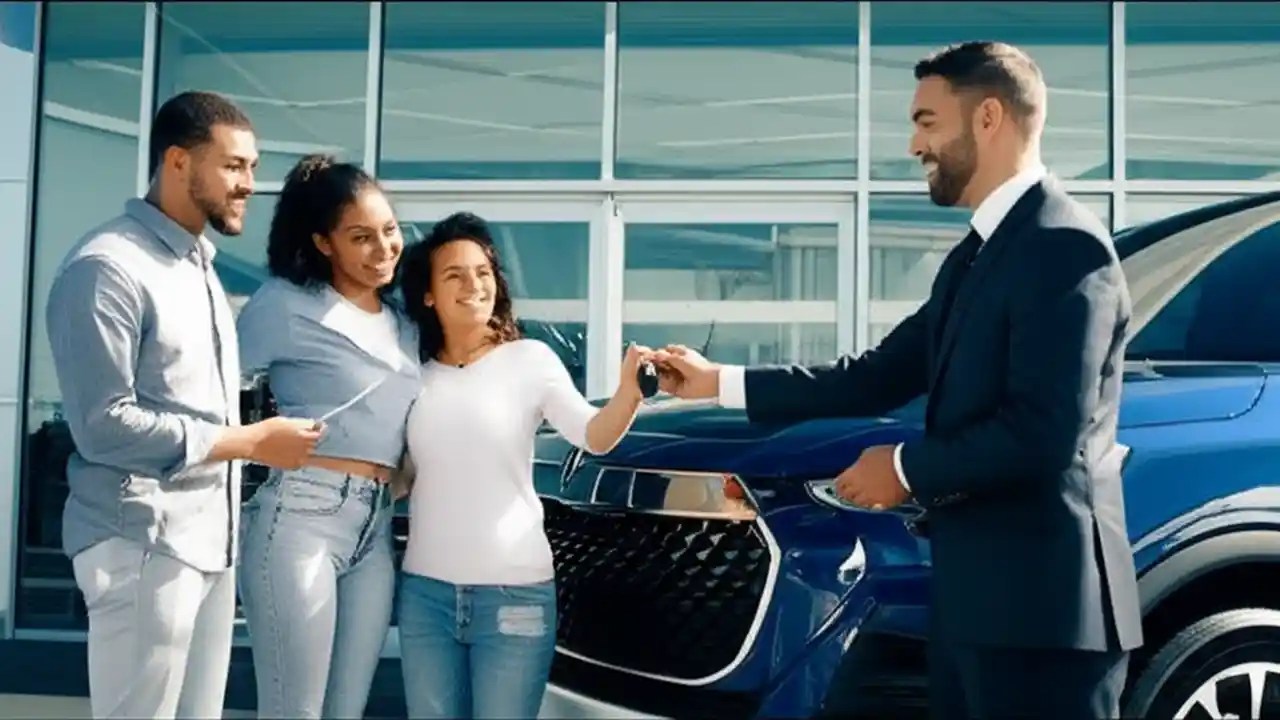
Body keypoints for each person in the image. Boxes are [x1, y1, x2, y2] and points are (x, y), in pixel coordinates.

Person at [652, 41, 1143, 720]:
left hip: (1046, 620)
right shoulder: (976, 256)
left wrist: (905, 469)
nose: (914, 144)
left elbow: (1042, 433)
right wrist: (717, 383)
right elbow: (878, 375)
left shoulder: (1065, 246)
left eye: (927, 121)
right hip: (976, 611)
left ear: (989, 118)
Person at [44, 90, 323, 719]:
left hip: (207, 546)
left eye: (252, 167)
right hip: (141, 543)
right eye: (233, 166)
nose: (249, 184)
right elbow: (102, 426)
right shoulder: (106, 268)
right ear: (177, 162)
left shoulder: (198, 269)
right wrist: (251, 442)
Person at [395, 211, 651, 719]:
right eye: (455, 274)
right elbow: (400, 475)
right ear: (428, 295)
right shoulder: (412, 375)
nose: (474, 284)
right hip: (425, 597)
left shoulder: (530, 360)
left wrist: (628, 394)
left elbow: (594, 436)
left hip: (514, 597)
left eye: (483, 272)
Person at [234, 154, 422, 718]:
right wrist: (256, 439)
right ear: (323, 243)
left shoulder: (403, 321)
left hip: (376, 529)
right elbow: (211, 391)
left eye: (389, 231)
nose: (384, 248)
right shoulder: (285, 305)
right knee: (296, 710)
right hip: (301, 517)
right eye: (361, 237)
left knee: (345, 711)